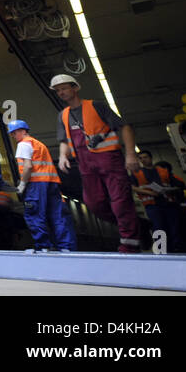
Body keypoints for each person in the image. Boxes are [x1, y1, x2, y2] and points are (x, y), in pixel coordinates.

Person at [51, 74, 142, 253]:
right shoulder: (63, 115)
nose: (61, 92)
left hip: (110, 161)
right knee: (94, 204)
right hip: (86, 166)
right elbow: (64, 140)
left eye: (64, 88)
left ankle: (130, 243)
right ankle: (133, 225)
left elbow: (125, 127)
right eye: (58, 90)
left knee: (120, 202)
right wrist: (63, 156)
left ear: (75, 88)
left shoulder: (96, 106)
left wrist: (130, 155)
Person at [9, 120, 74, 251]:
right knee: (58, 216)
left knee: (34, 215)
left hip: (36, 185)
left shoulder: (24, 144)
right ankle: (66, 248)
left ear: (22, 131)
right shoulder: (39, 144)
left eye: (14, 133)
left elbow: (27, 166)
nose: (13, 136)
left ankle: (44, 248)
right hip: (51, 183)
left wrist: (22, 185)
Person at [131, 150, 186, 252]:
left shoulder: (163, 171)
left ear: (151, 158)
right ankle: (161, 251)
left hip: (169, 203)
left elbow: (177, 185)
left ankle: (177, 249)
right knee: (158, 227)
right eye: (141, 158)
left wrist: (169, 190)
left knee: (174, 228)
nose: (143, 160)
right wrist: (149, 193)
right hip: (152, 205)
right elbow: (133, 187)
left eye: (145, 157)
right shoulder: (137, 173)